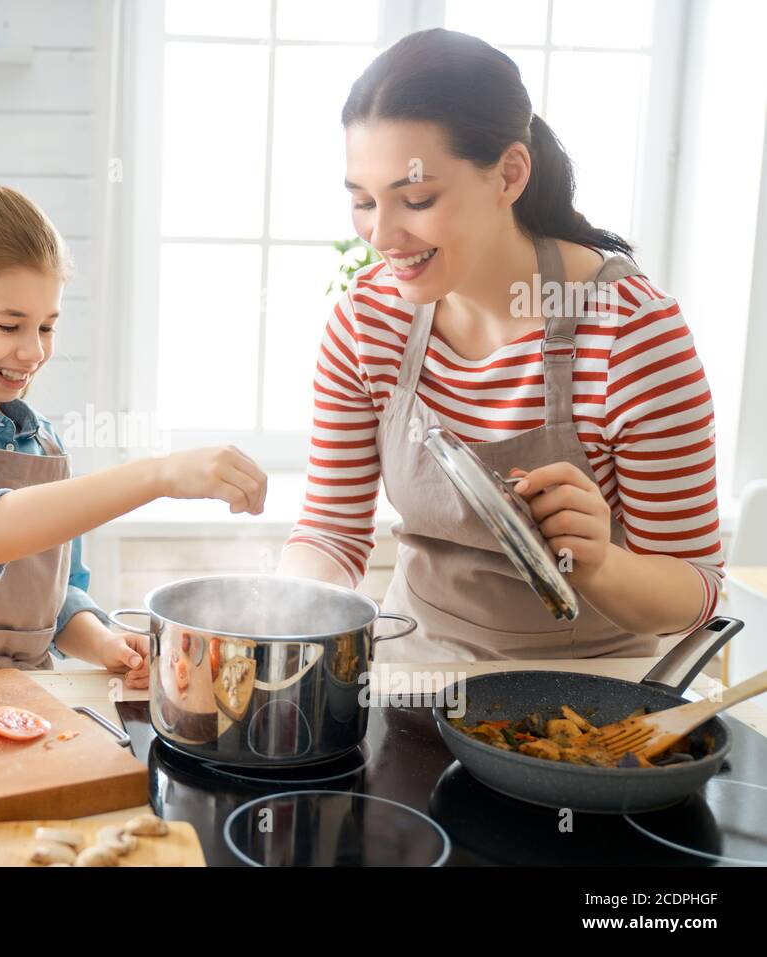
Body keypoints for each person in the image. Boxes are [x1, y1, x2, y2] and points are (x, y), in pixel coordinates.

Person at [277, 29, 723, 661]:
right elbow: (330, 531)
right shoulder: (367, 319)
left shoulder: (631, 332)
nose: (382, 235)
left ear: (510, 173)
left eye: (417, 199)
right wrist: (279, 616)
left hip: (592, 691)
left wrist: (596, 563)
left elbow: (697, 589)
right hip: (414, 669)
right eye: (363, 202)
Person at [0, 184, 268, 682]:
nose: (33, 352)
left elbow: (54, 596)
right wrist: (160, 475)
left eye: (46, 327)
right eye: (9, 326)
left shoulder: (41, 442)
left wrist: (104, 642)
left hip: (29, 691)